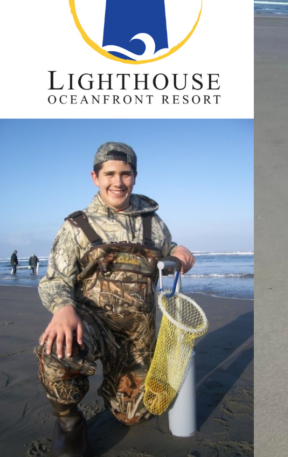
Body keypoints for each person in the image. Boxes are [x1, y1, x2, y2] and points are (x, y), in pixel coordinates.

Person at [35, 142, 195, 456]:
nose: (117, 182)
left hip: (137, 335)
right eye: (109, 174)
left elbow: (168, 255)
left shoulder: (154, 222)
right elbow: (55, 280)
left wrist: (178, 251)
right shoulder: (76, 226)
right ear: (95, 177)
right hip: (90, 324)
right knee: (55, 348)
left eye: (125, 174)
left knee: (132, 415)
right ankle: (68, 421)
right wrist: (63, 309)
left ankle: (116, 391)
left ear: (135, 176)